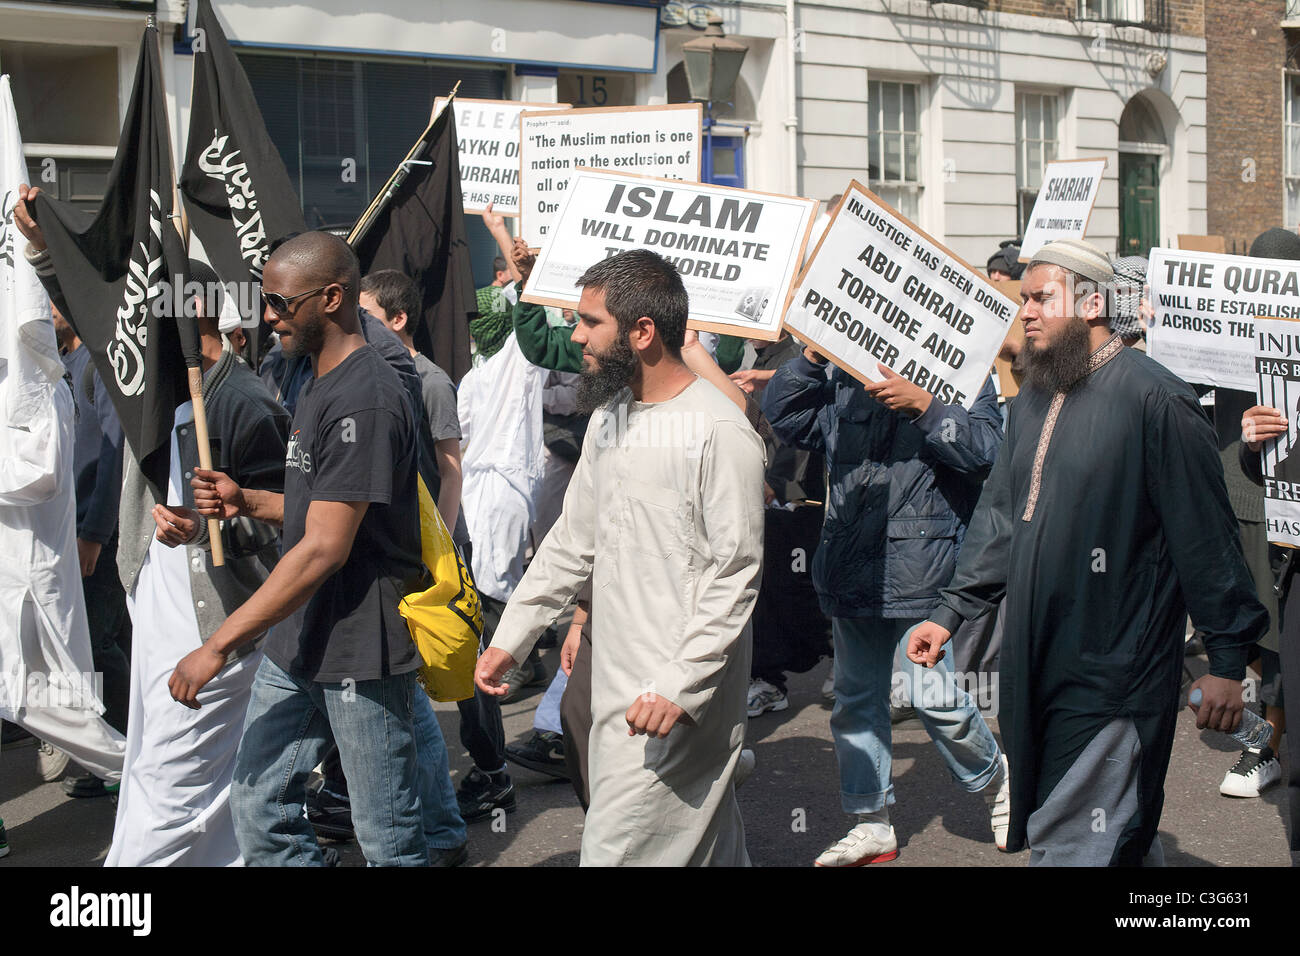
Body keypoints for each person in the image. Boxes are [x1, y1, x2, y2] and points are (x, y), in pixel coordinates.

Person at [907, 238, 1267, 866]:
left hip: (1115, 664)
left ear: (1094, 302)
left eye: (1042, 298)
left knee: (1076, 836)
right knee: (1102, 829)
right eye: (1025, 301)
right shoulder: (1035, 395)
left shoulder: (1157, 399)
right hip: (1035, 657)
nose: (1028, 313)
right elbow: (1000, 514)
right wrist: (951, 610)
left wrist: (1228, 662)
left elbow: (1206, 543)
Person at [475, 248, 766, 866]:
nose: (575, 336)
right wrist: (513, 636)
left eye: (589, 322)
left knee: (616, 850)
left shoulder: (719, 431)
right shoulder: (610, 415)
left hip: (673, 699)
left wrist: (679, 685)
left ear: (642, 332)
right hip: (615, 685)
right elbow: (572, 541)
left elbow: (734, 575)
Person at [168, 231, 429, 866]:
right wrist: (246, 499)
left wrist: (217, 645)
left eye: (282, 304)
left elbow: (323, 548)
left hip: (358, 647)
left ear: (332, 297)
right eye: (266, 301)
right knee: (260, 809)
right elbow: (325, 503)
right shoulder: (313, 375)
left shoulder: (366, 395)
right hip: (301, 639)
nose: (267, 318)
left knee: (386, 836)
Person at [762, 315, 1010, 867]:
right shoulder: (844, 368)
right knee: (854, 700)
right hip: (852, 562)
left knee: (933, 698)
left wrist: (926, 405)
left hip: (924, 566)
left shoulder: (964, 364)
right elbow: (785, 415)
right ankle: (871, 822)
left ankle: (998, 778)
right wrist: (809, 357)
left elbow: (989, 453)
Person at [105, 264, 290, 866]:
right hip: (164, 611)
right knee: (159, 764)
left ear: (191, 315)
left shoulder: (245, 402)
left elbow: (293, 523)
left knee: (174, 772)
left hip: (217, 622)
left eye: (146, 313)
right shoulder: (158, 394)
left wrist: (213, 526)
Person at [39, 302, 130, 797]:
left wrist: (95, 533)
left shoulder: (99, 366)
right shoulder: (57, 368)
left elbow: (115, 459)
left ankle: (124, 752)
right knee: (79, 649)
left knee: (98, 643)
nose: (46, 312)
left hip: (97, 536)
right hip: (66, 534)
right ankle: (103, 758)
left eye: (54, 301)